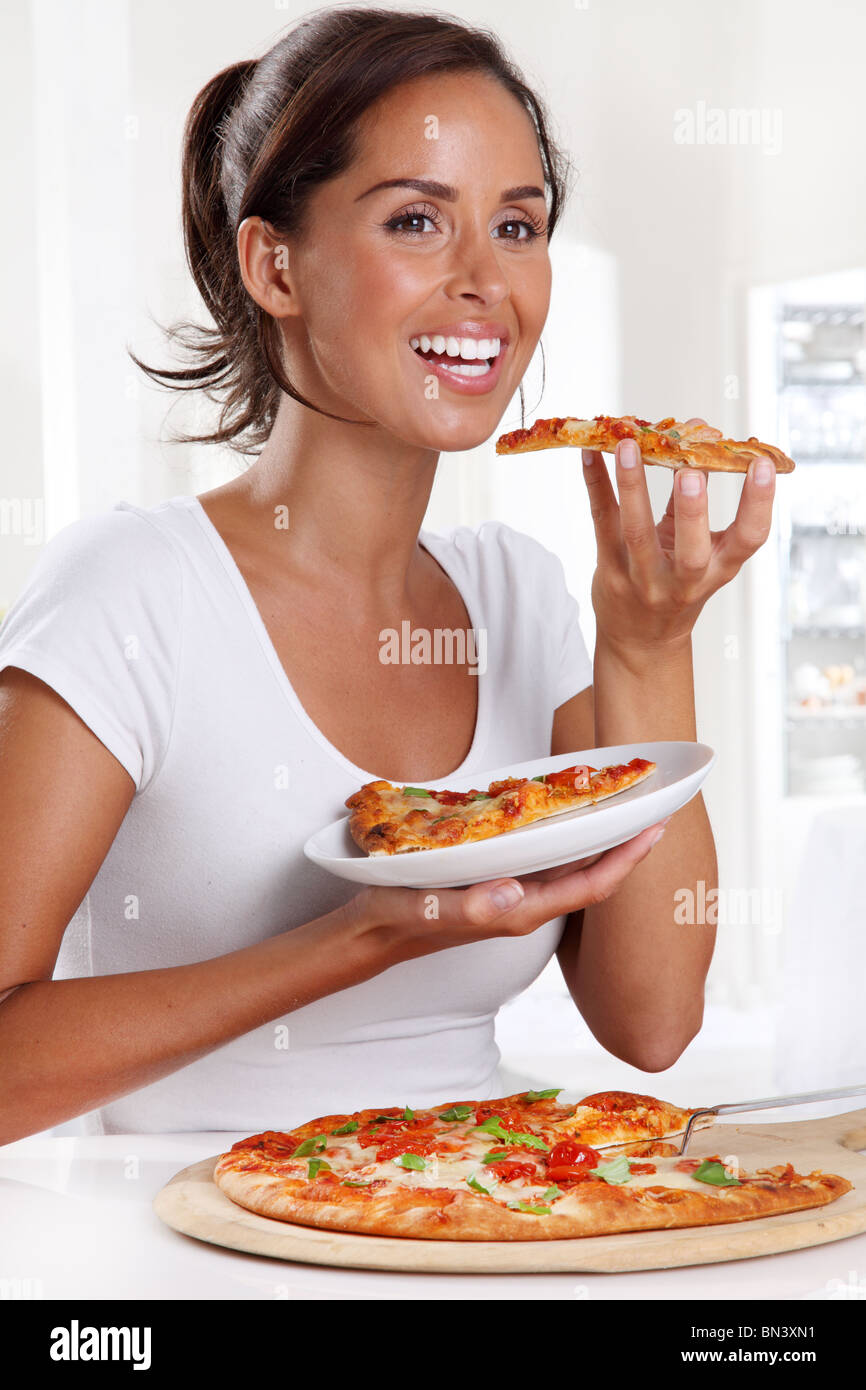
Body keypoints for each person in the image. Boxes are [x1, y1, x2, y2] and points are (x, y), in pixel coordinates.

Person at [0, 8, 775, 1142]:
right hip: (171, 1244)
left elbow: (649, 1022)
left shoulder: (516, 598)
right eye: (416, 219)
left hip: (482, 1209)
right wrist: (359, 936)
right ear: (274, 264)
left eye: (518, 225)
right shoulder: (130, 593)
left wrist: (647, 649)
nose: (483, 281)